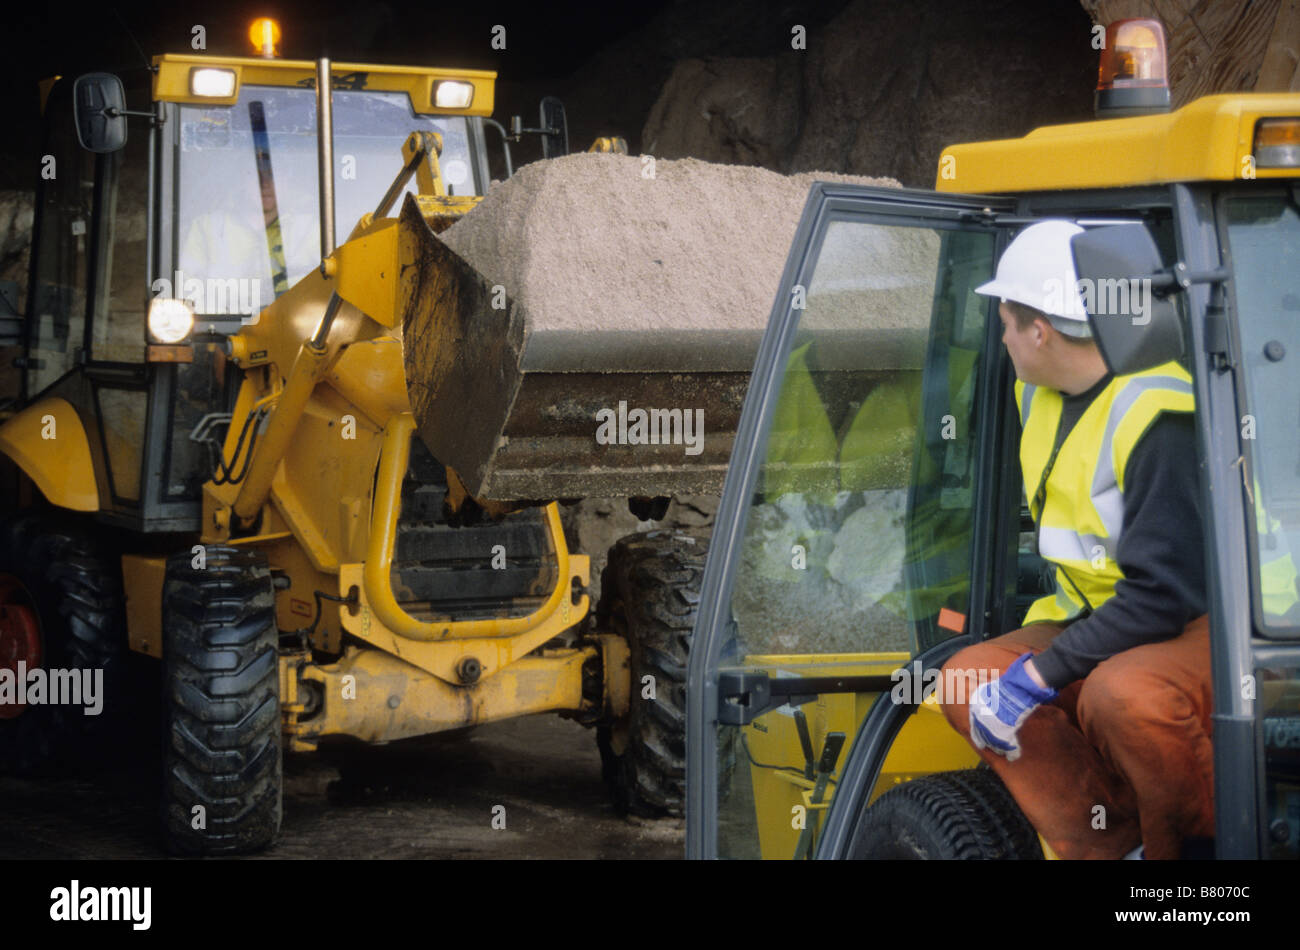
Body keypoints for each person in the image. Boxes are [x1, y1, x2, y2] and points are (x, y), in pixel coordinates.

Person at [938, 219, 1212, 860]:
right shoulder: (1040, 395)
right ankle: (1107, 844)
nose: (1001, 335)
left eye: (1006, 320)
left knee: (1125, 697)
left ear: (1042, 330)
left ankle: (1189, 865)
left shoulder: (1159, 415)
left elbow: (1164, 595)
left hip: (1201, 625)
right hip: (1104, 615)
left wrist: (1037, 676)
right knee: (962, 680)